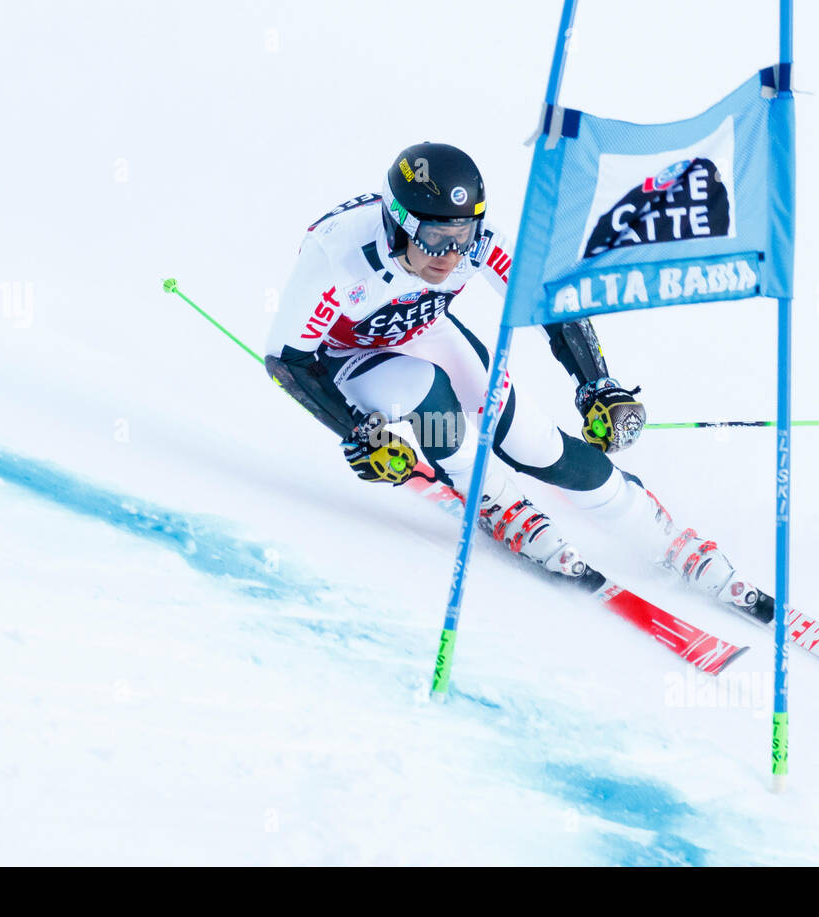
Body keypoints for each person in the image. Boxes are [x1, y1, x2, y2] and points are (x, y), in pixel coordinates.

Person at [265, 142, 765, 619]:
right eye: (434, 238)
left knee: (533, 441)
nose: (449, 254)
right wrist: (355, 431)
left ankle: (659, 533)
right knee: (433, 405)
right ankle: (496, 500)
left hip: (422, 328)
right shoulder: (338, 257)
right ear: (398, 225)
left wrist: (597, 385)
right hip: (347, 356)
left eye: (461, 236)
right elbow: (287, 361)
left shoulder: (475, 243)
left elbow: (549, 302)